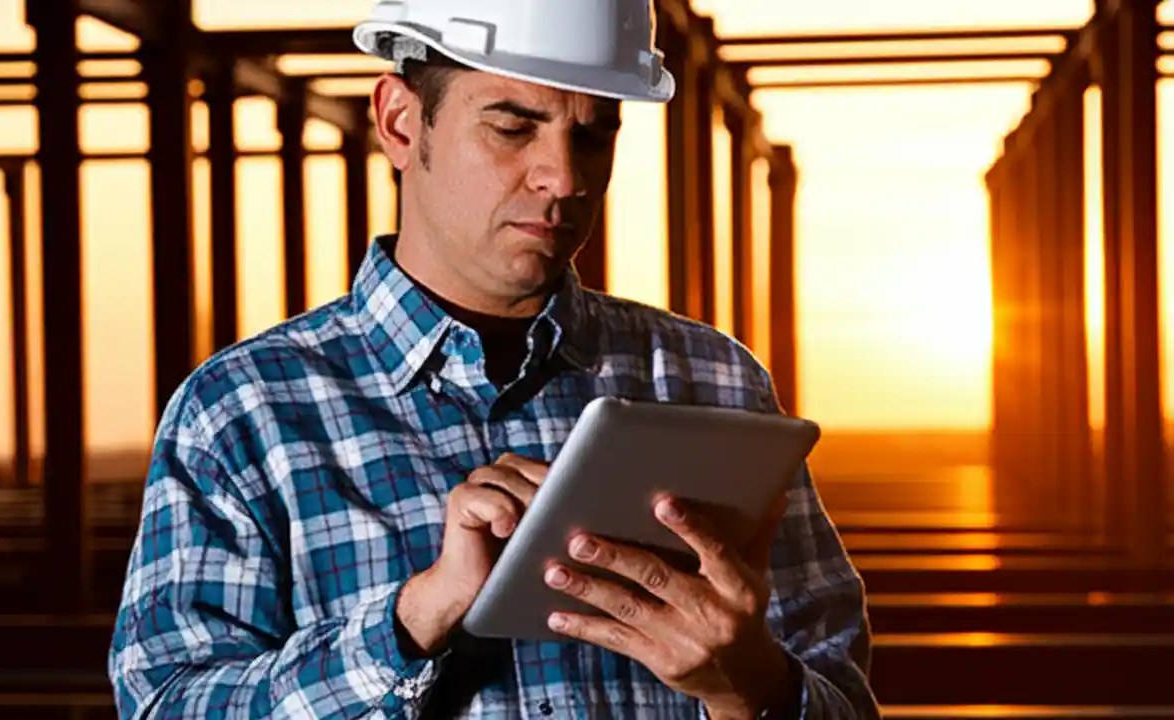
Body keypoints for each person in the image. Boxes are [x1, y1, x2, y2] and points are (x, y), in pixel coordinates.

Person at [108, 0, 879, 717]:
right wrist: (414, 619)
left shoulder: (715, 382)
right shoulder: (244, 412)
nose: (565, 178)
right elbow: (165, 703)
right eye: (513, 126)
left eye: (593, 133)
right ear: (402, 123)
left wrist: (751, 686)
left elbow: (844, 695)